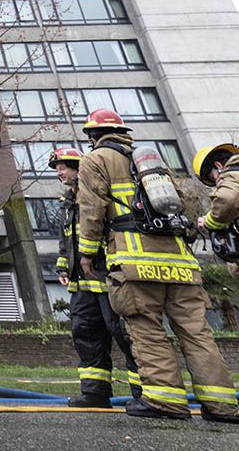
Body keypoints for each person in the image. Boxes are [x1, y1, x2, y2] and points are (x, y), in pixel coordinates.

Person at [77, 108, 239, 423]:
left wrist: (86, 254)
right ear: (123, 132)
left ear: (93, 137)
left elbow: (92, 209)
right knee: (197, 333)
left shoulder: (95, 161)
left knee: (147, 328)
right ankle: (222, 406)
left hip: (136, 263)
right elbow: (179, 206)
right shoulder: (152, 160)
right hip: (180, 263)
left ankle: (166, 402)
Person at [51, 145, 140, 408]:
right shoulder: (67, 203)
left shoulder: (96, 194)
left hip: (106, 276)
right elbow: (65, 240)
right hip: (82, 282)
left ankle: (144, 392)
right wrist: (63, 267)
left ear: (80, 169)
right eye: (57, 168)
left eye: (63, 167)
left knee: (122, 332)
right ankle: (95, 392)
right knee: (85, 333)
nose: (59, 173)